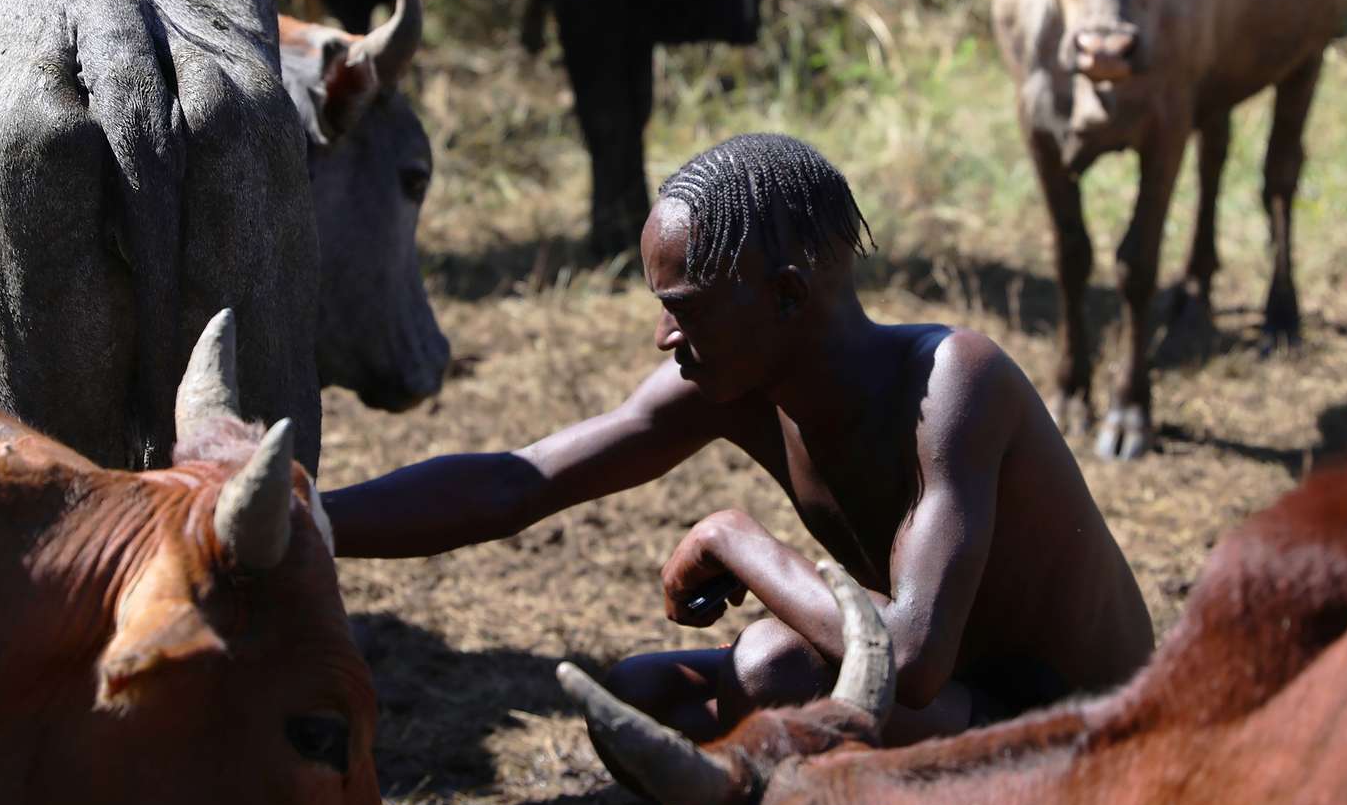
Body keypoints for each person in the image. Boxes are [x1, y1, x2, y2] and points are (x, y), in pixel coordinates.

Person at [324, 133, 1154, 745]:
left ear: (788, 296)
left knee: (771, 672)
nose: (662, 337)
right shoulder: (740, 377)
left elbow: (912, 656)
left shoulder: (954, 384)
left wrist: (734, 538)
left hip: (1079, 726)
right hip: (947, 698)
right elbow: (521, 481)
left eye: (683, 308)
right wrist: (311, 520)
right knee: (644, 701)